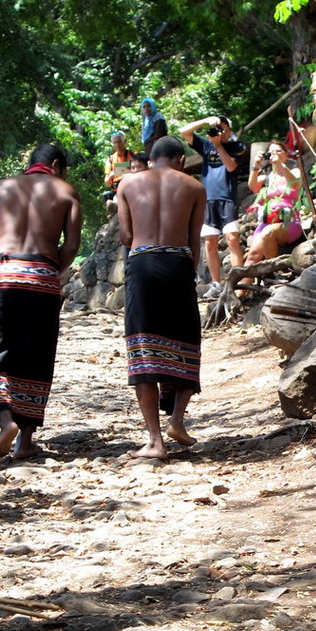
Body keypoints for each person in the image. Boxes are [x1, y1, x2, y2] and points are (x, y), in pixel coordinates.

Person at [0, 144, 82, 458]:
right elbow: (71, 245)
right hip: (43, 276)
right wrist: (47, 269)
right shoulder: (66, 191)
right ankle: (25, 442)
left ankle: (6, 421)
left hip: (4, 273)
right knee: (36, 354)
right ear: (57, 165)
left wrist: (5, 263)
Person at [117, 136, 206, 460]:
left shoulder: (127, 183)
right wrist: (186, 271)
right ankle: (177, 421)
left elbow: (126, 236)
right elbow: (193, 241)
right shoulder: (194, 187)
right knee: (186, 342)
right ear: (181, 160)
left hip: (142, 264)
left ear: (152, 159)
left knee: (143, 348)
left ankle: (154, 440)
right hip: (179, 265)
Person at [178, 115, 245, 297]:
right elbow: (183, 132)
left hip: (227, 198)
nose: (219, 132)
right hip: (208, 200)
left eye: (223, 129)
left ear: (230, 131)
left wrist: (218, 145)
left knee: (232, 238)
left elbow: (231, 167)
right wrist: (206, 121)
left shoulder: (237, 146)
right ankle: (216, 283)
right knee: (209, 243)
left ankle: (237, 280)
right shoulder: (205, 146)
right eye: (218, 128)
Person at [244, 140, 303, 265]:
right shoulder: (267, 176)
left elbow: (296, 184)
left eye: (277, 151)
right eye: (270, 152)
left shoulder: (294, 171)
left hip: (289, 221)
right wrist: (256, 165)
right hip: (267, 221)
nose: (273, 154)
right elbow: (253, 186)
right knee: (253, 256)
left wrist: (281, 166)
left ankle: (275, 272)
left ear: (286, 155)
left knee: (268, 233)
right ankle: (240, 284)